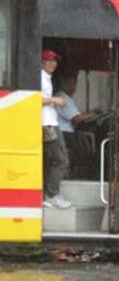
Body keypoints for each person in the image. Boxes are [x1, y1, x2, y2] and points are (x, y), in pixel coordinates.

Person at [39, 49, 70, 209]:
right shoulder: (39, 77)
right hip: (47, 124)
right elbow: (32, 98)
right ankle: (51, 195)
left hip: (50, 121)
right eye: (49, 60)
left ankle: (49, 193)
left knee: (54, 158)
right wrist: (55, 100)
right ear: (42, 61)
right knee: (59, 159)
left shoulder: (46, 78)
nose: (53, 64)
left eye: (55, 61)